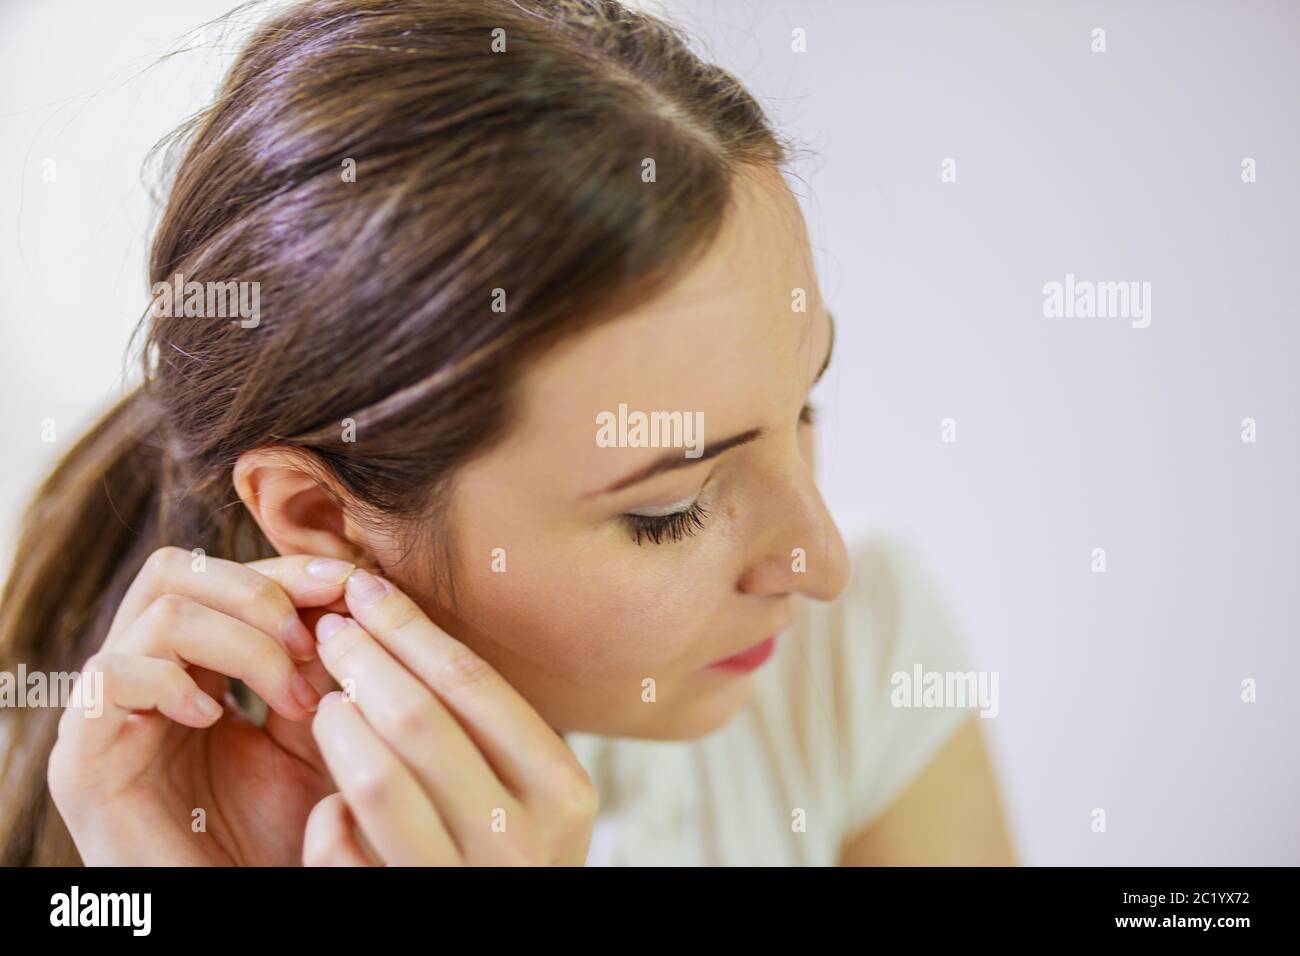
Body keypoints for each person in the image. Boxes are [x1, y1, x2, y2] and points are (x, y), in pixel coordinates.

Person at [0, 0, 1014, 866]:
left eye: (805, 406)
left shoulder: (855, 652)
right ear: (321, 519)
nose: (819, 561)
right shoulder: (131, 804)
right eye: (670, 507)